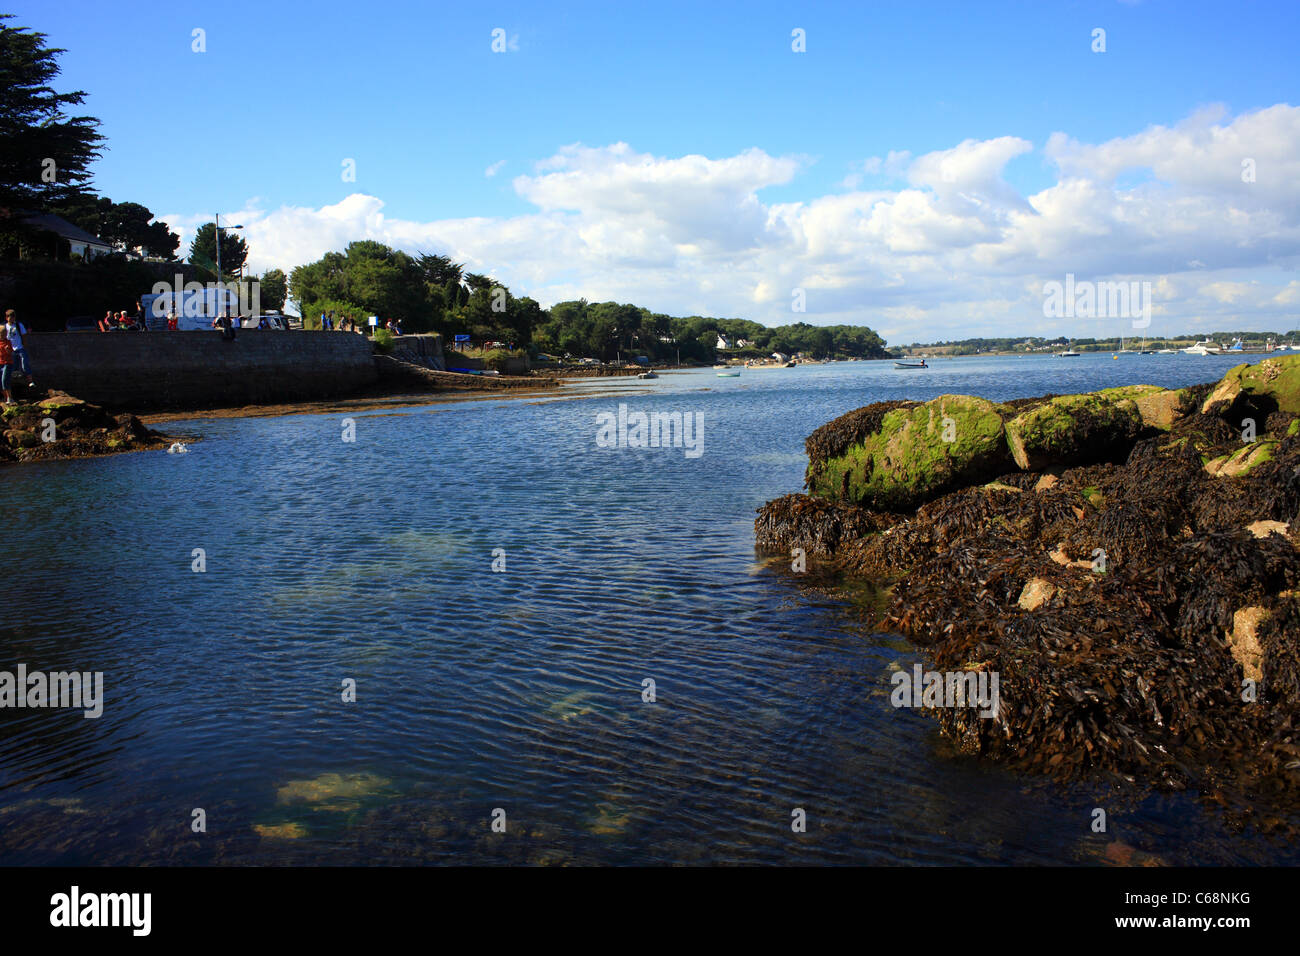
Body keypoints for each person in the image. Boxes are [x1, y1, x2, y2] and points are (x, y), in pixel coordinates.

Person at [4, 310, 34, 389]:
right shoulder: (5, 327)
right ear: (6, 318)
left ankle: (30, 381)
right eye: (9, 317)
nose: (11, 319)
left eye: (13, 317)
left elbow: (24, 336)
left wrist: (24, 345)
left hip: (20, 348)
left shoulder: (18, 325)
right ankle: (15, 384)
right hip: (11, 350)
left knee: (25, 365)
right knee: (13, 368)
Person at [0, 330, 13, 405]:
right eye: (1, 333)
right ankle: (5, 397)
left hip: (7, 363)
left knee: (4, 380)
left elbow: (10, 352)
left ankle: (9, 398)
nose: (2, 335)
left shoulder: (8, 342)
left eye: (4, 333)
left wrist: (7, 349)